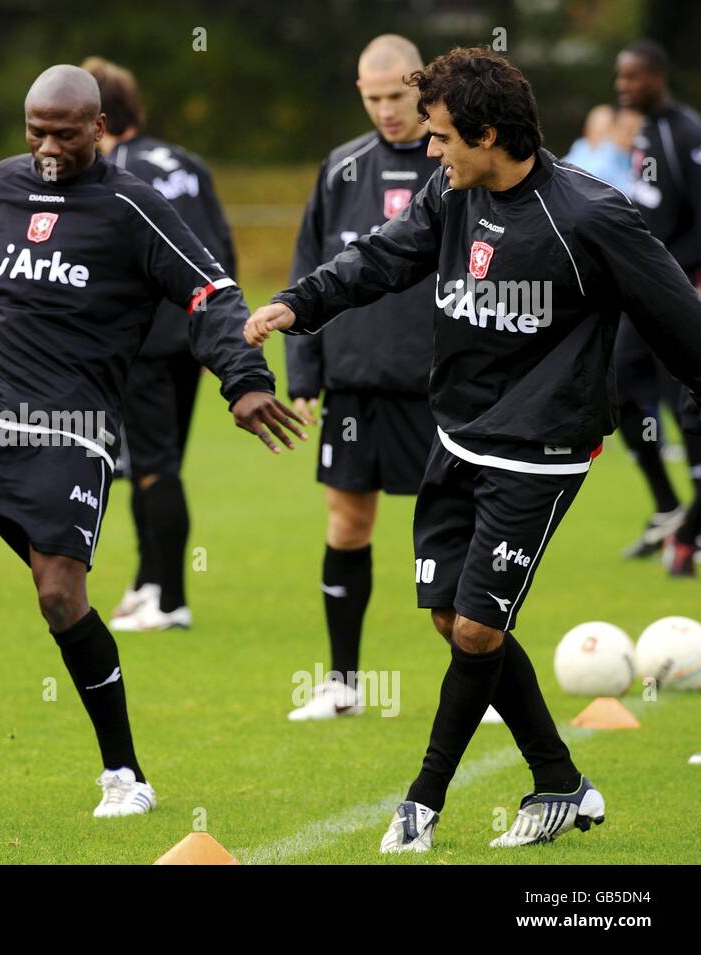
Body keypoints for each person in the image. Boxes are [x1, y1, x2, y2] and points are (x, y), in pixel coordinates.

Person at [246, 47, 701, 852]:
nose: (429, 150)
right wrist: (299, 304)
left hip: (541, 449)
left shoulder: (591, 216)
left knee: (480, 633)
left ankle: (421, 802)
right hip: (455, 436)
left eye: (443, 136)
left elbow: (682, 324)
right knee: (452, 618)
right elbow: (384, 256)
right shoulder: (450, 192)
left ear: (490, 134)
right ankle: (561, 780)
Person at [0, 64, 302, 818]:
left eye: (66, 132)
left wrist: (244, 379)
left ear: (100, 128)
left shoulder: (134, 207)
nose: (49, 146)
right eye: (37, 130)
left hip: (67, 430)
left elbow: (210, 293)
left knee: (60, 597)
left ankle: (124, 773)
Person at [282, 35, 440, 720]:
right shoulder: (343, 166)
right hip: (353, 383)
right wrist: (303, 368)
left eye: (397, 98)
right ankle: (343, 682)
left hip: (440, 387)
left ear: (421, 88)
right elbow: (309, 267)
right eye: (373, 99)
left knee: (456, 528)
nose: (386, 112)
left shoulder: (455, 163)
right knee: (348, 525)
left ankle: (488, 679)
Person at [78, 56, 236, 633]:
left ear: (95, 116)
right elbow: (222, 250)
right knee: (158, 465)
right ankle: (148, 582)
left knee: (151, 467)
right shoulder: (189, 163)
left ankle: (169, 600)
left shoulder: (111, 170)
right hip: (195, 334)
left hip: (141, 341)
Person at [613, 39, 701, 570]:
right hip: (639, 292)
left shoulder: (686, 134)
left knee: (683, 405)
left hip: (678, 294)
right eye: (620, 79)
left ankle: (694, 523)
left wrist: (675, 275)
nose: (623, 87)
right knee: (618, 386)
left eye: (633, 78)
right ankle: (668, 508)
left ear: (657, 77)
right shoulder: (644, 133)